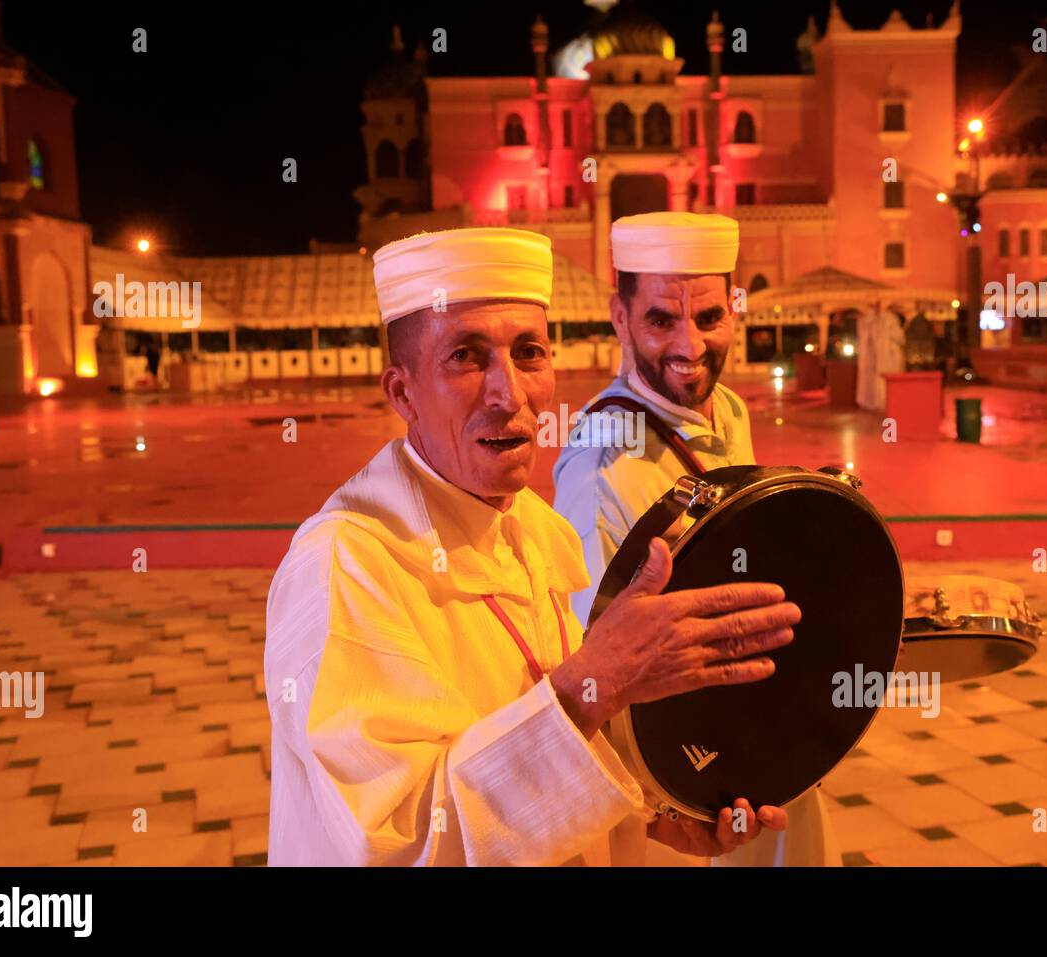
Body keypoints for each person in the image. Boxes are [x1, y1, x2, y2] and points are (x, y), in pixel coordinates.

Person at [264, 226, 800, 866]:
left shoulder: (535, 528)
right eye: (465, 356)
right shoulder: (346, 564)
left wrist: (658, 808)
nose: (509, 394)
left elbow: (559, 752)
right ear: (402, 392)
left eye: (529, 354)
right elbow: (399, 840)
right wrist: (593, 680)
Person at [552, 212, 840, 867]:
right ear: (619, 318)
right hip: (681, 782)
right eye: (661, 319)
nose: (690, 344)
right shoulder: (601, 465)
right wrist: (664, 807)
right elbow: (592, 664)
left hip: (760, 732)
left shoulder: (729, 408)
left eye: (709, 318)